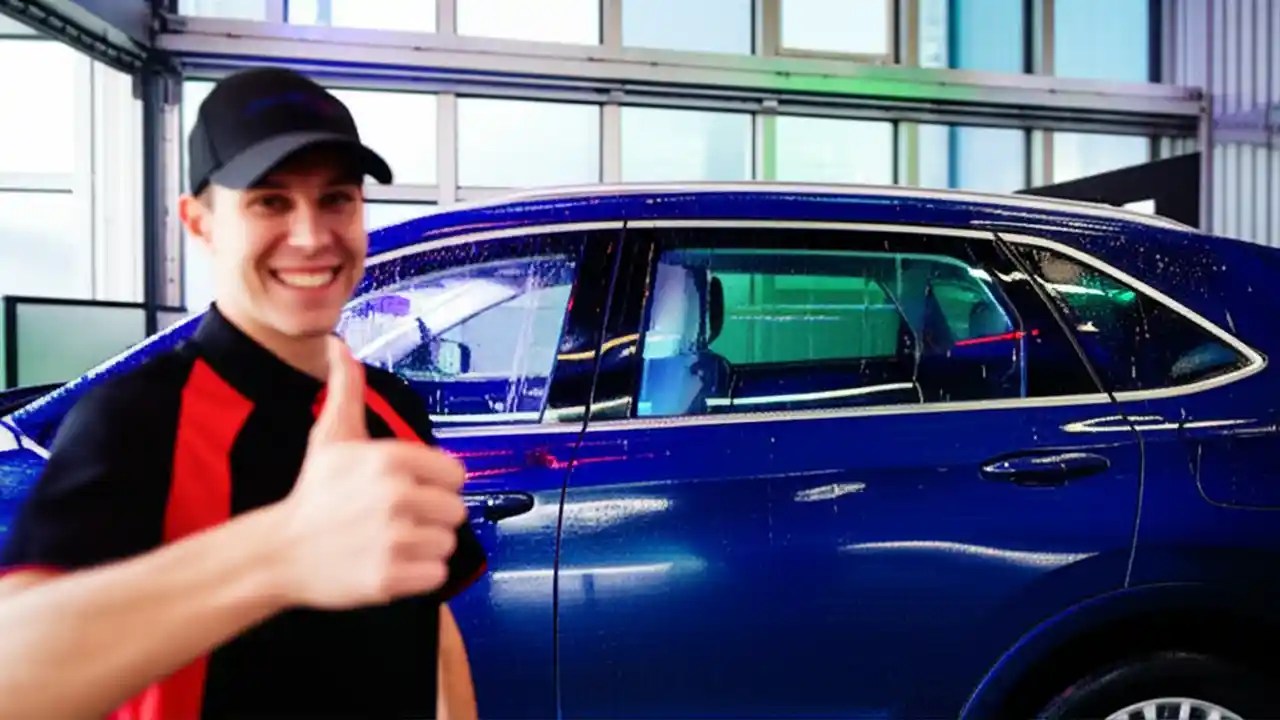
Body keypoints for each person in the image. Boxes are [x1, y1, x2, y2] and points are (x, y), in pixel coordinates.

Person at [0, 66, 486, 719]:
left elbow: (435, 631)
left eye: (336, 198)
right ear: (199, 223)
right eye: (270, 200)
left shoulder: (390, 407)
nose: (312, 236)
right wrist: (283, 549)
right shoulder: (137, 420)